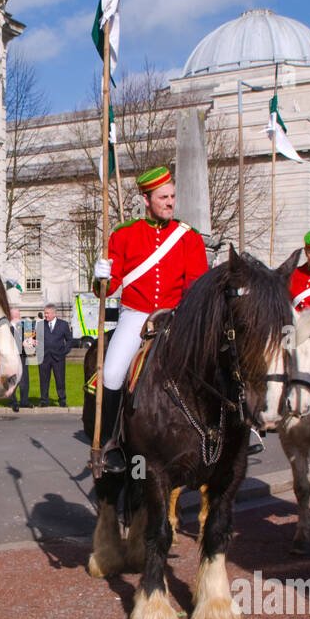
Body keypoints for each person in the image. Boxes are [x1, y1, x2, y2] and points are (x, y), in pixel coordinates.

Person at [92, 166, 209, 473]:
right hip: (136, 315)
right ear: (146, 199)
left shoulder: (189, 238)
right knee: (113, 374)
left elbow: (196, 287)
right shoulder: (124, 235)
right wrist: (100, 277)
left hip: (176, 317)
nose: (170, 202)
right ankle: (111, 442)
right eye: (163, 197)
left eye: (172, 196)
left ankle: (218, 430)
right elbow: (109, 290)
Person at [37, 304, 72, 408]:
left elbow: (70, 340)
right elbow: (36, 340)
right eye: (45, 313)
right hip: (44, 358)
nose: (45, 315)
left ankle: (62, 400)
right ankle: (44, 400)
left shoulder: (63, 324)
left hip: (58, 358)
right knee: (43, 380)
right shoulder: (40, 325)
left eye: (47, 313)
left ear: (54, 313)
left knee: (60, 380)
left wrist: (64, 352)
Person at [9, 308, 31, 412]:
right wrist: (21, 345)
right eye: (18, 316)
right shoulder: (6, 329)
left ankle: (24, 402)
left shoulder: (22, 328)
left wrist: (31, 343)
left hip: (23, 357)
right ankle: (14, 402)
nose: (19, 317)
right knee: (13, 381)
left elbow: (28, 340)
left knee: (25, 380)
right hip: (11, 359)